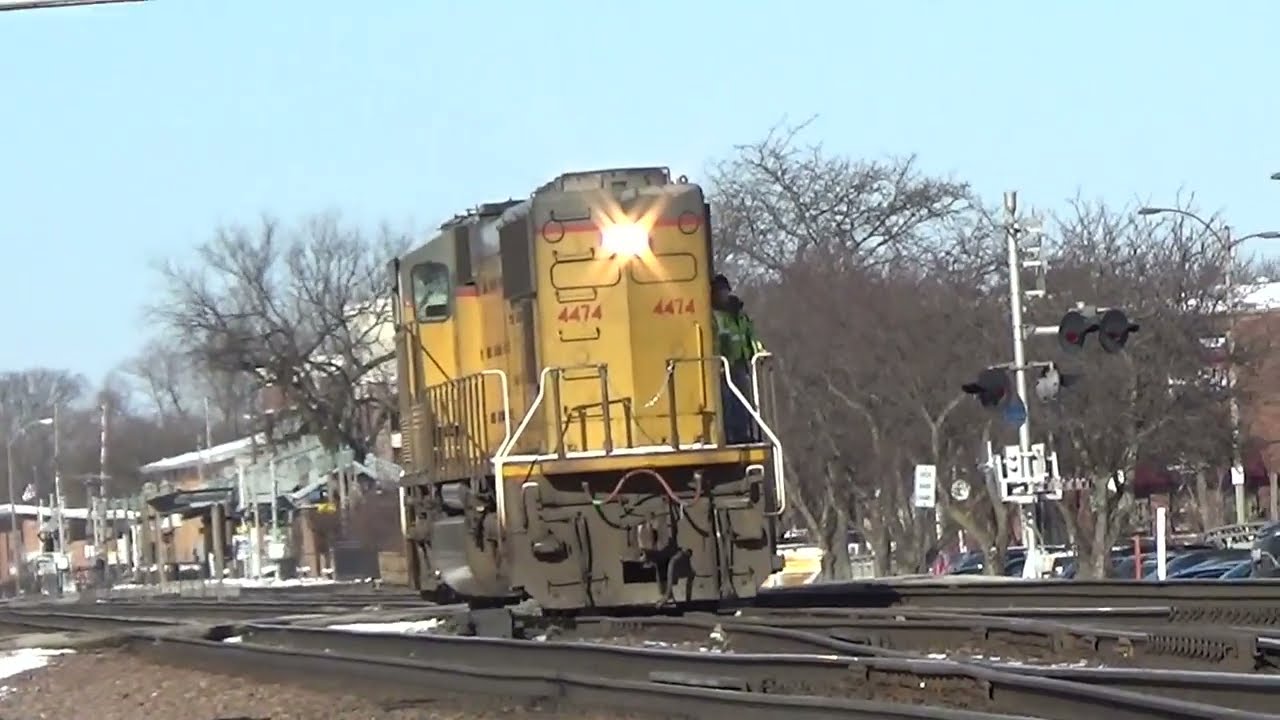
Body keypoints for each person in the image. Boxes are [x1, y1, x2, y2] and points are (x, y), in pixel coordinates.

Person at [711, 274, 764, 444]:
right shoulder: (713, 316)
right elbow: (714, 341)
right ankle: (730, 435)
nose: (722, 294)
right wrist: (718, 362)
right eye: (719, 291)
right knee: (727, 401)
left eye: (724, 290)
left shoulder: (740, 315)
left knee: (744, 399)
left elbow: (751, 336)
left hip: (741, 363)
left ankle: (743, 433)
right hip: (723, 366)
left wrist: (759, 352)